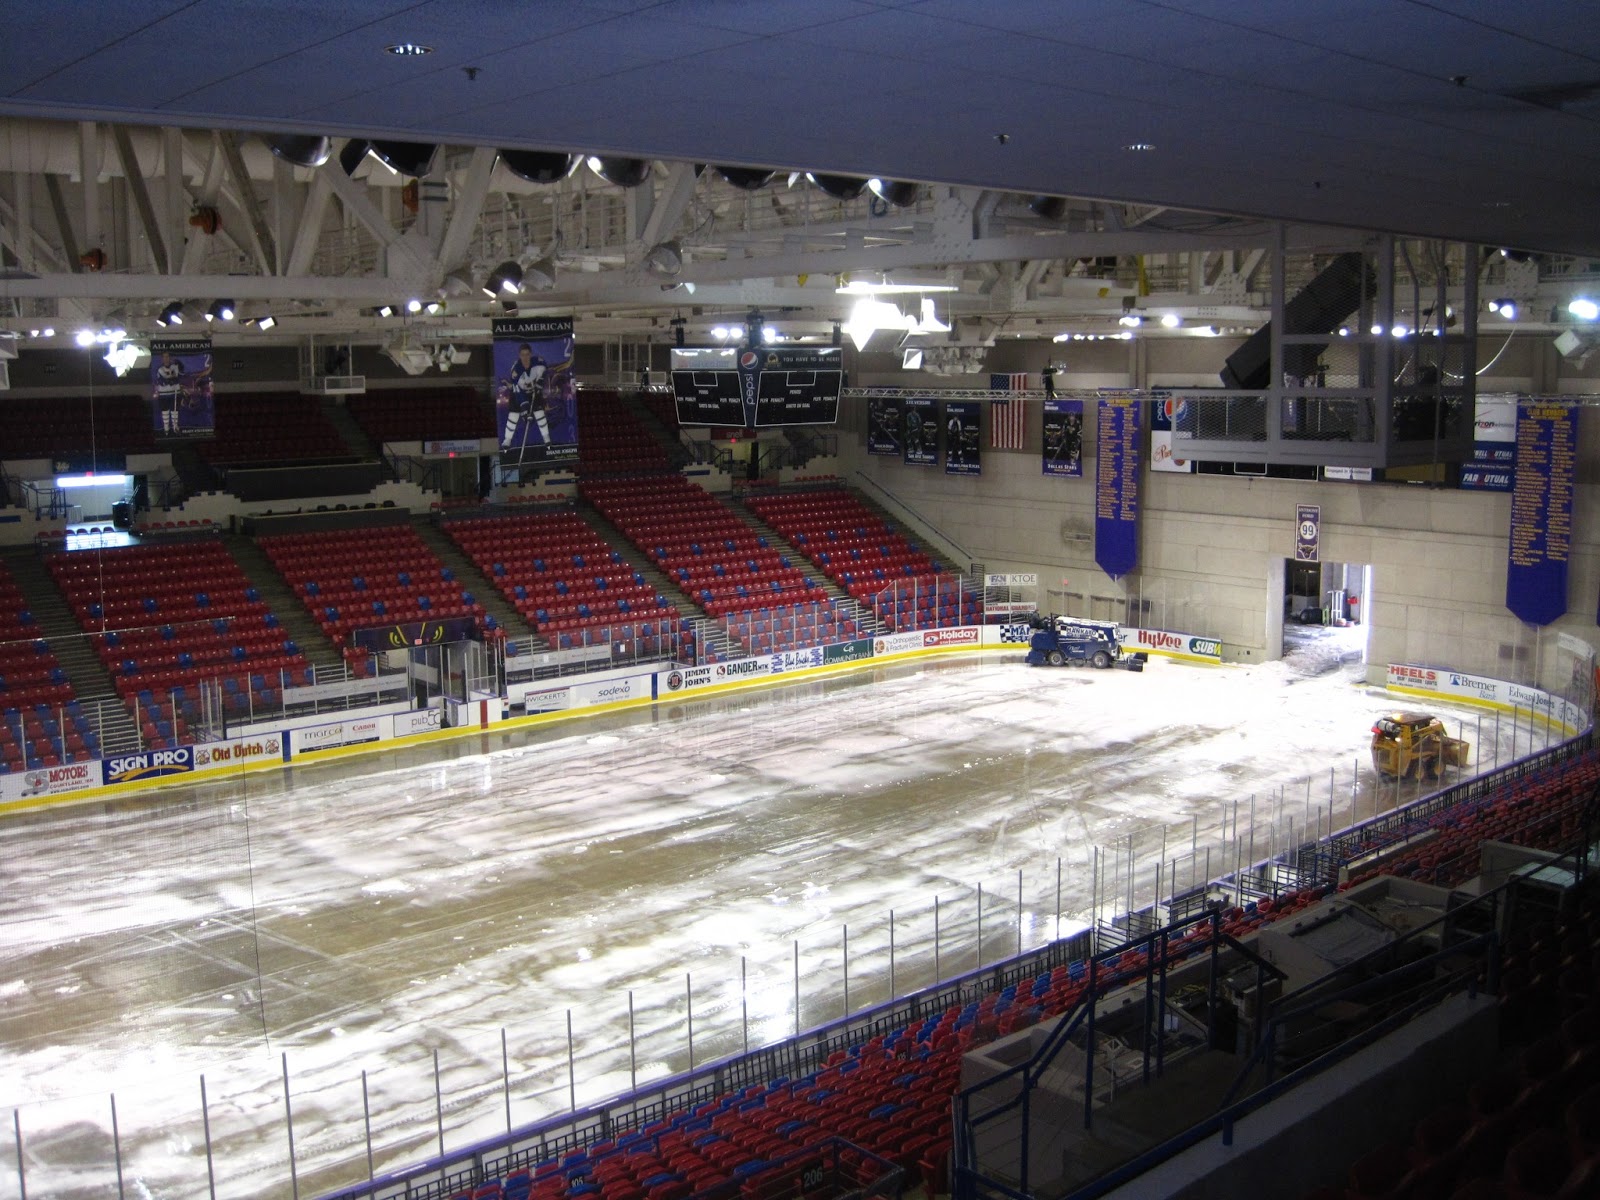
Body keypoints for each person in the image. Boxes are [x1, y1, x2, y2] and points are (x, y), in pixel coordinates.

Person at [501, 343, 548, 450]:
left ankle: (546, 438)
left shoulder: (539, 361)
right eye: (523, 355)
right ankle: (507, 440)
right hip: (519, 392)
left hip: (534, 391)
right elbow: (518, 391)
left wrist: (540, 382)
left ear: (530, 354)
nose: (525, 357)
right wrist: (525, 409)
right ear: (519, 355)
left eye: (527, 354)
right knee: (513, 415)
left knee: (540, 413)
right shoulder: (516, 370)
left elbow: (545, 370)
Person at [153, 351, 184, 433]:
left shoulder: (176, 367)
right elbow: (162, 381)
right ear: (162, 358)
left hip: (175, 393)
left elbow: (180, 377)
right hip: (163, 394)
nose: (166, 359)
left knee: (175, 411)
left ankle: (175, 427)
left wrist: (172, 380)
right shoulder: (160, 369)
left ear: (170, 358)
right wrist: (171, 380)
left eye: (167, 356)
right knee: (165, 411)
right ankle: (166, 428)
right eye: (164, 357)